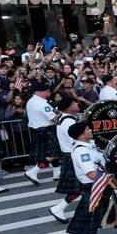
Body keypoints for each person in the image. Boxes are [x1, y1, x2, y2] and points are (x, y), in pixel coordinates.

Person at [60, 120, 117, 234]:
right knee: (90, 225)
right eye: (88, 129)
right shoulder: (81, 151)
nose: (91, 130)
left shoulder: (90, 146)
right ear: (82, 135)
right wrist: (111, 181)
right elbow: (91, 174)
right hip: (95, 189)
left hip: (102, 187)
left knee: (116, 217)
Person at [49, 94, 83, 223]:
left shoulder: (66, 118)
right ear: (69, 107)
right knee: (83, 187)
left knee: (85, 187)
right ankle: (58, 208)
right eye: (75, 103)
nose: (77, 105)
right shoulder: (68, 122)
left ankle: (58, 208)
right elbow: (76, 140)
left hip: (71, 156)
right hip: (74, 157)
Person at [23, 80, 60, 185]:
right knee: (53, 153)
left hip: (38, 130)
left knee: (52, 152)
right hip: (46, 130)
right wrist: (60, 113)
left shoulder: (31, 101)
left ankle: (57, 172)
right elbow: (54, 119)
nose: (49, 94)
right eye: (47, 92)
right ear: (39, 92)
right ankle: (33, 171)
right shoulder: (42, 104)